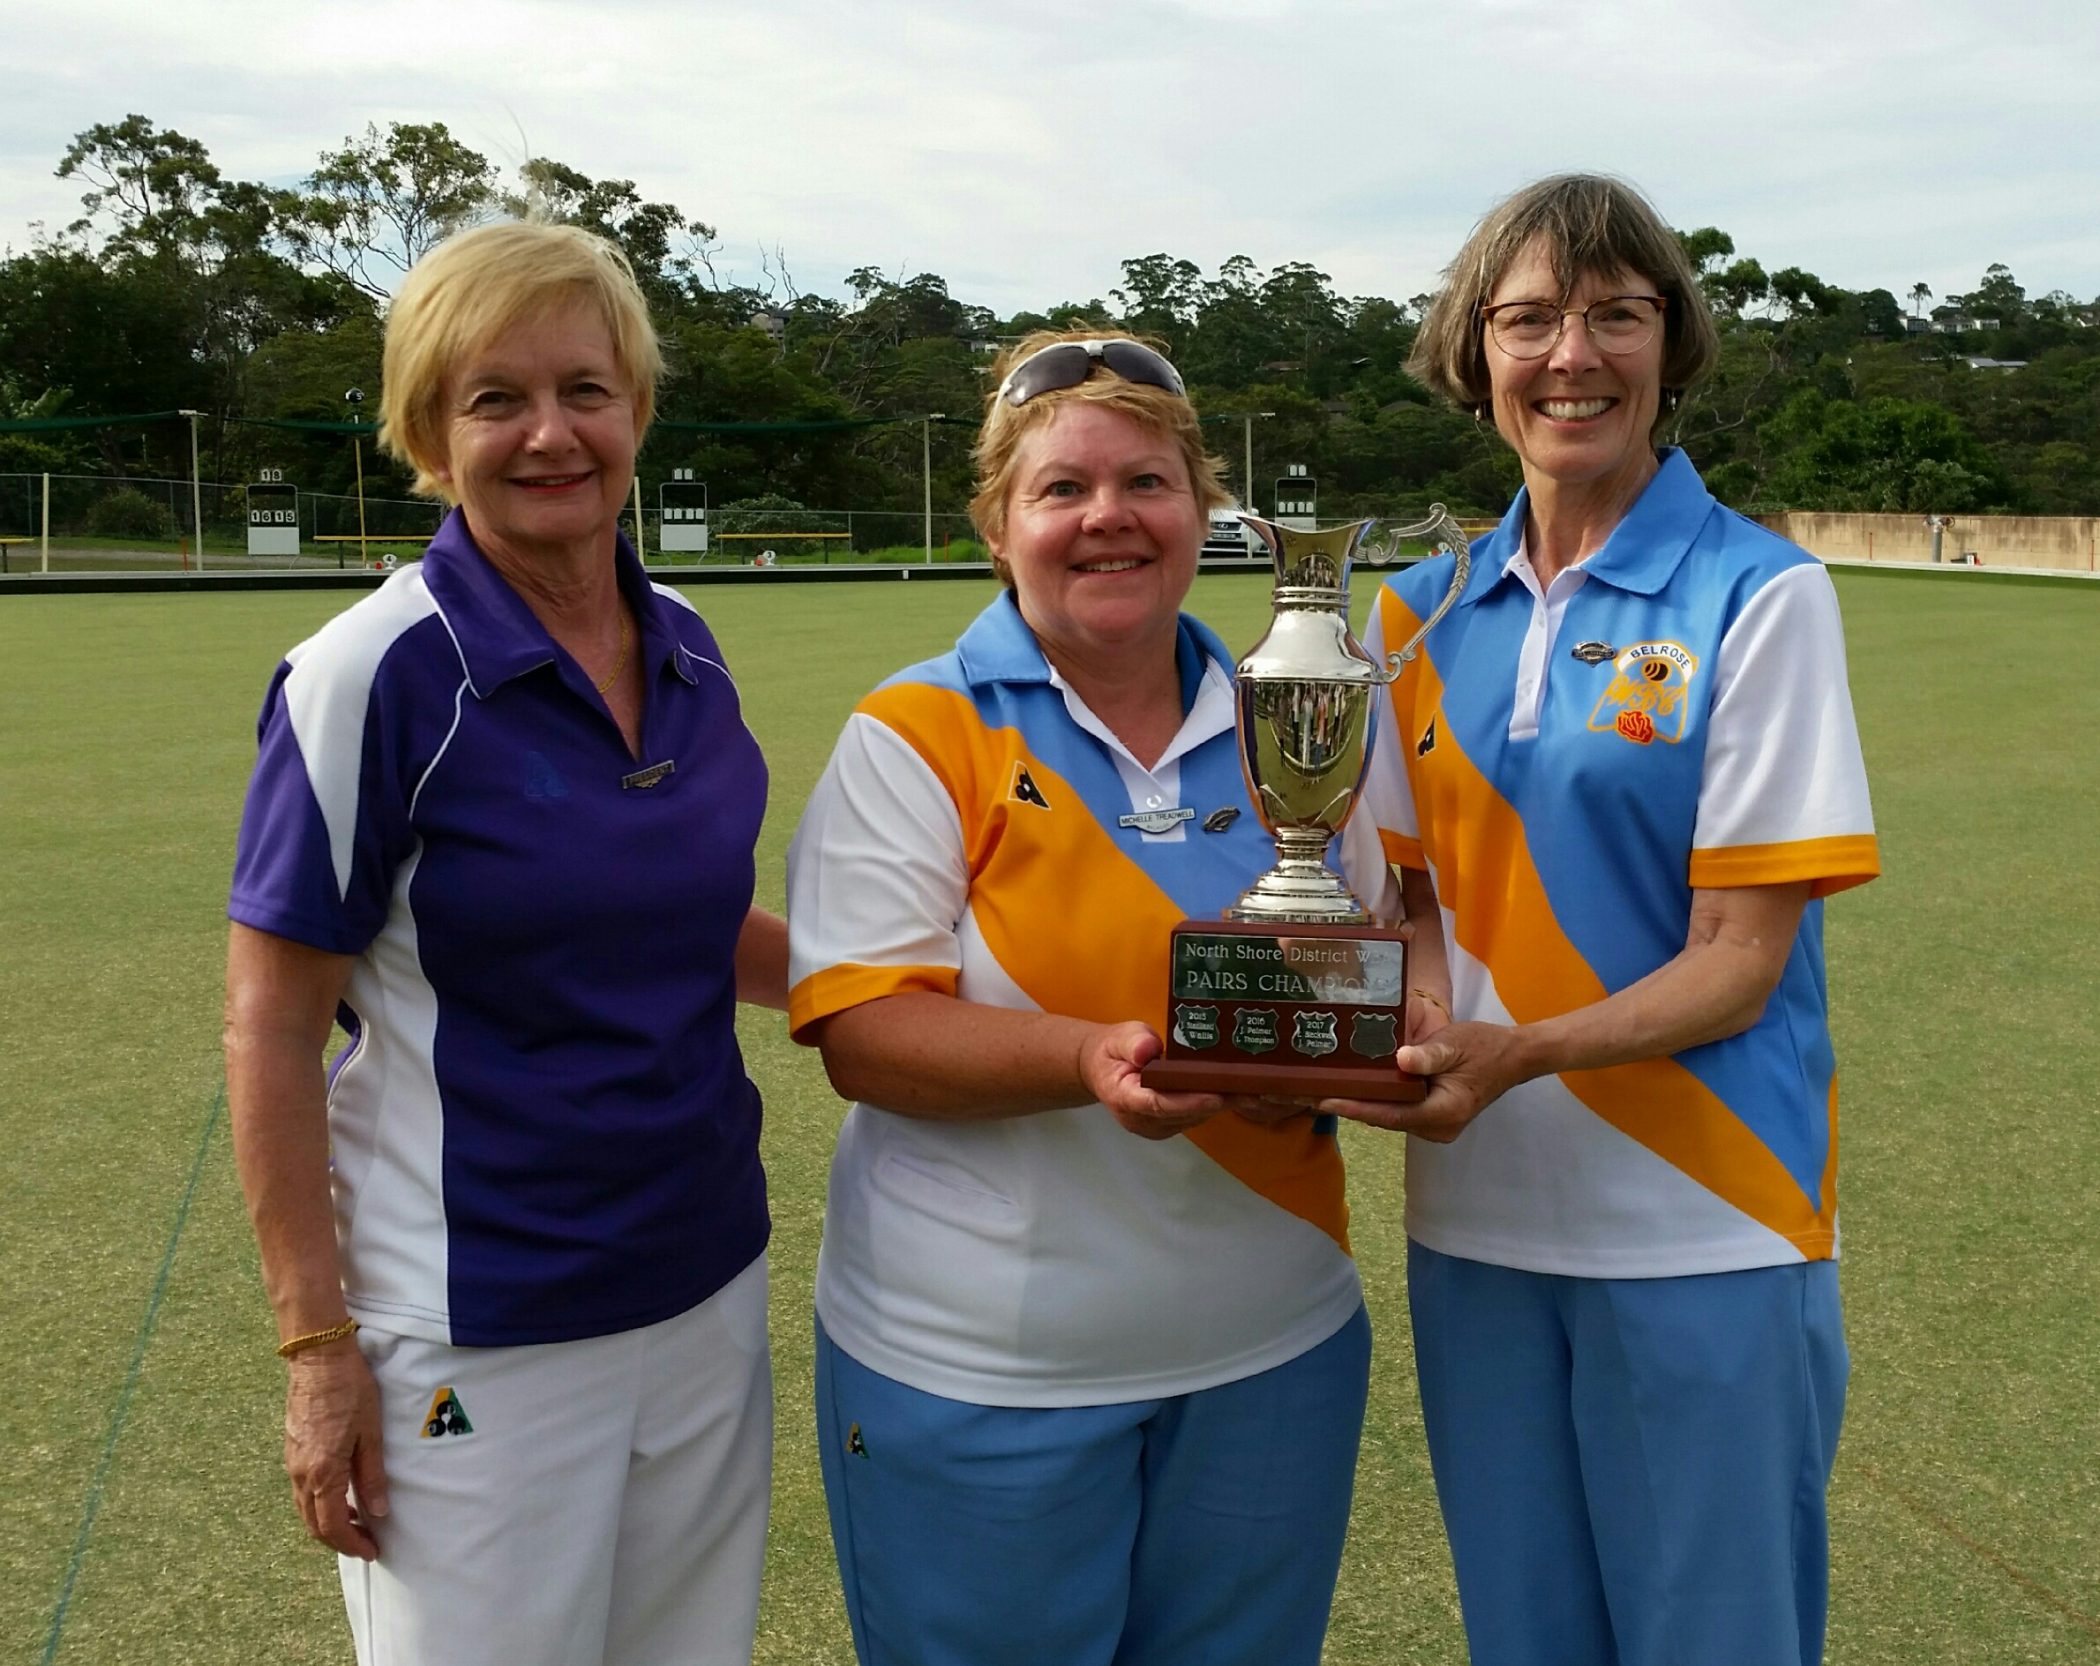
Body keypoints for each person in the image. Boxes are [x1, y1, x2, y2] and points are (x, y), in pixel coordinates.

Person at [784, 329, 1394, 1666]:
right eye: (1062, 489)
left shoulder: (1302, 714)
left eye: (1147, 482)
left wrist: (1399, 1048)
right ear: (999, 523)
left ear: (1203, 511)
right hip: (978, 1376)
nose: (1107, 516)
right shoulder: (915, 731)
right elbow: (867, 1033)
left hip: (1271, 1350)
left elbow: (1377, 964)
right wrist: (1093, 1058)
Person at [223, 219, 786, 1666]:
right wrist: (315, 1352)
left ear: (637, 410)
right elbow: (273, 1028)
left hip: (705, 1290)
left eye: (586, 391)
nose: (552, 434)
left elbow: (699, 921)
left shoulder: (693, 644)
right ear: (430, 433)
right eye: (496, 399)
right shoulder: (366, 677)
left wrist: (949, 992)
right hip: (476, 1325)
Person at [1340, 174, 1881, 1666]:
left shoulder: (1761, 596)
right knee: (1528, 1637)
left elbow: (1736, 961)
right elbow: (1416, 907)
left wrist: (1511, 1053)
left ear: (1670, 346)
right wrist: (1426, 1025)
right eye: (1528, 319)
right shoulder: (1410, 618)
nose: (1571, 353)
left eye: (1615, 315)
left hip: (1705, 1223)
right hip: (1479, 1227)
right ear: (1476, 354)